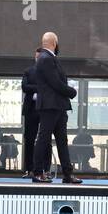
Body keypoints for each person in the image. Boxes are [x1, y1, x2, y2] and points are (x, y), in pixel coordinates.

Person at [31, 32, 82, 184]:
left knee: (61, 140)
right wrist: (72, 91)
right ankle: (38, 172)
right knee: (44, 139)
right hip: (50, 106)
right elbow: (55, 83)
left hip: (57, 106)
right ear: (54, 43)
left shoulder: (47, 58)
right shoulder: (46, 59)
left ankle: (67, 173)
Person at [21, 50, 39, 177]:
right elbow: (25, 87)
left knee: (45, 140)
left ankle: (44, 169)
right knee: (29, 139)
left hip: (45, 110)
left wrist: (34, 87)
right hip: (30, 109)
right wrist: (41, 87)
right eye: (38, 56)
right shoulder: (28, 71)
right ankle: (29, 169)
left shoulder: (50, 72)